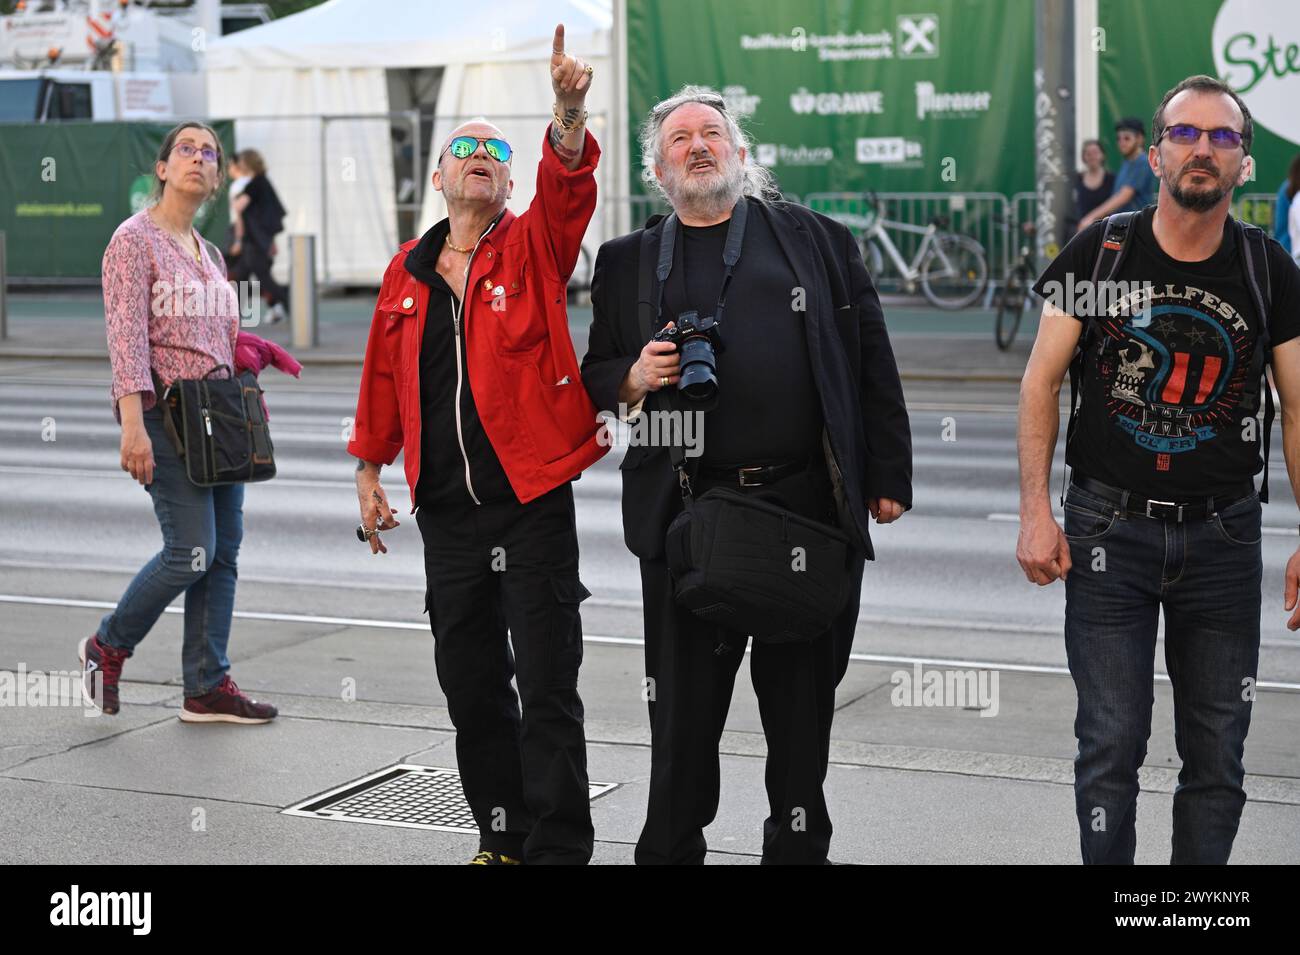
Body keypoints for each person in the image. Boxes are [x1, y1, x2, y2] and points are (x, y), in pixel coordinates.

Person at [581, 85, 912, 865]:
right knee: (682, 722)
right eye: (679, 140)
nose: (698, 146)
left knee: (801, 722)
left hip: (804, 508)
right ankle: (669, 851)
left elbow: (872, 363)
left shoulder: (819, 241)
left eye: (712, 133)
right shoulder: (627, 260)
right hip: (684, 514)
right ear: (659, 171)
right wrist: (634, 376)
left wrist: (887, 472)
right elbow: (596, 371)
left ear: (740, 152)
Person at [1017, 75, 1300, 864]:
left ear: (1244, 161)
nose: (1203, 149)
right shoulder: (1100, 252)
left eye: (1223, 137)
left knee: (1218, 756)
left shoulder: (1269, 269)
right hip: (1109, 532)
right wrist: (1035, 511)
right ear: (1160, 152)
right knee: (1109, 747)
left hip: (1224, 535)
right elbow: (1039, 381)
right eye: (1187, 134)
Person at [347, 24, 604, 866]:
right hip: (448, 518)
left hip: (530, 506)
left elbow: (568, 194)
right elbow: (385, 382)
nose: (483, 157)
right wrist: (368, 470)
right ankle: (503, 838)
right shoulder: (404, 273)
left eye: (497, 151)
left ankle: (560, 847)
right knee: (471, 688)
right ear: (439, 175)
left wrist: (567, 114)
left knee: (547, 687)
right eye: (468, 148)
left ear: (506, 177)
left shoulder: (531, 245)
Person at [84, 121, 279, 725]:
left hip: (220, 418)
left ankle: (206, 686)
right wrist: (132, 424)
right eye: (186, 150)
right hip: (166, 418)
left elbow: (218, 340)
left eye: (210, 154)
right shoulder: (133, 241)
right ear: (163, 168)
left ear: (218, 178)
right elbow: (126, 339)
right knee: (191, 552)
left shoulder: (212, 253)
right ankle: (106, 647)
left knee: (223, 556)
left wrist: (246, 372)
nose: (199, 159)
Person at [229, 148, 289, 324]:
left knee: (261, 277)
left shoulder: (254, 184)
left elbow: (240, 208)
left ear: (246, 164)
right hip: (259, 239)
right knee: (242, 276)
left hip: (253, 240)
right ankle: (235, 315)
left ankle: (287, 302)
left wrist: (238, 239)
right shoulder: (263, 182)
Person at [1078, 117, 1158, 230]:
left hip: (1136, 228)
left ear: (1139, 139)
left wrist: (1091, 218)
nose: (1121, 143)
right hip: (1123, 226)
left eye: (1127, 138)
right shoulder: (1127, 162)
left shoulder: (1142, 162)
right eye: (1119, 139)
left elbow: (1124, 196)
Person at [1070, 139, 1114, 232]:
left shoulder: (1111, 179)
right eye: (1088, 154)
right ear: (1083, 157)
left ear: (1102, 155)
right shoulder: (1077, 179)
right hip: (1081, 230)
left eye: (1095, 152)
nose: (1092, 156)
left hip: (1105, 230)